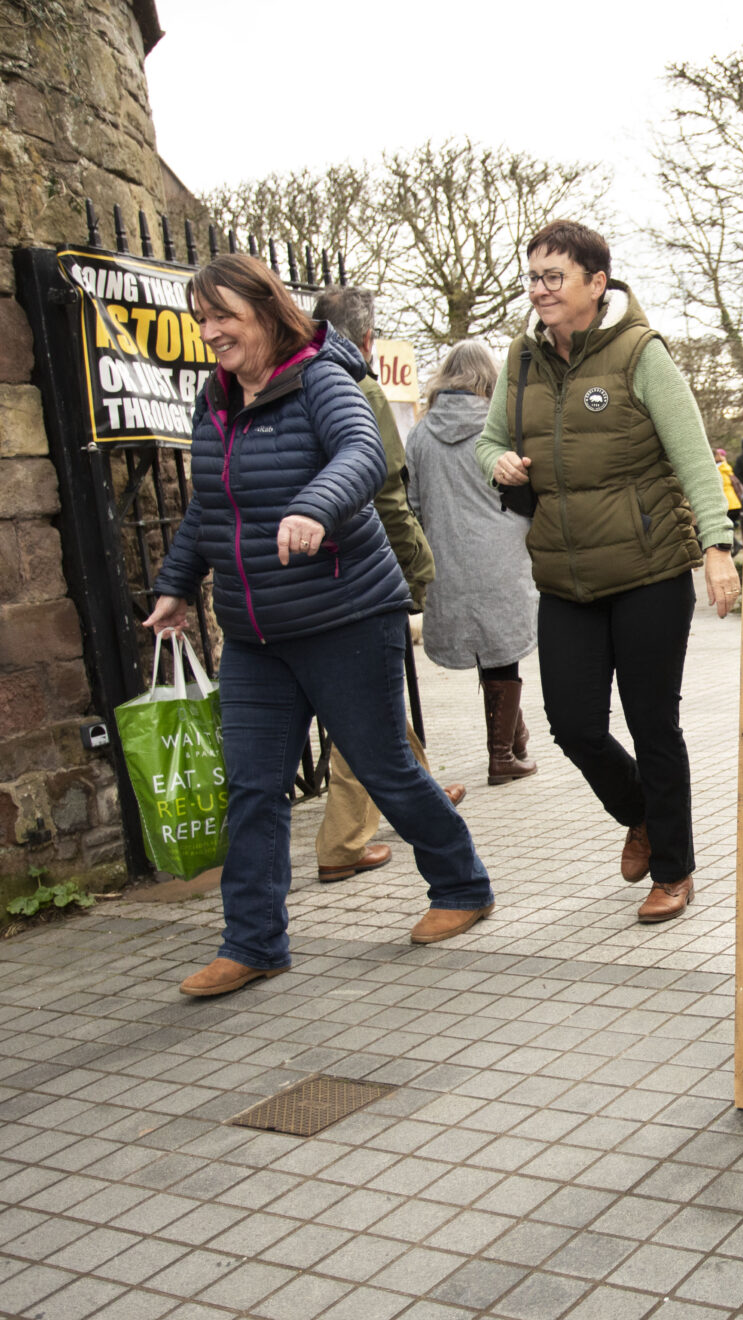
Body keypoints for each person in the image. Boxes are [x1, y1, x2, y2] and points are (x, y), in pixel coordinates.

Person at [144, 254, 496, 998]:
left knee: (384, 766)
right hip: (255, 634)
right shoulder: (216, 399)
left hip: (345, 614)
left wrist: (314, 504)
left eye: (223, 316)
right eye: (201, 319)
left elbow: (363, 454)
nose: (209, 332)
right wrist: (176, 585)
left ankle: (462, 885)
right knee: (252, 788)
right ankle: (253, 942)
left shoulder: (320, 379)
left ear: (267, 311)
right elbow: (210, 504)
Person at [477, 220, 739, 925]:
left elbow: (692, 455)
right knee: (572, 724)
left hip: (649, 569)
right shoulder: (522, 358)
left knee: (654, 723)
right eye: (533, 276)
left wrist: (717, 546)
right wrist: (498, 462)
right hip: (566, 575)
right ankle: (642, 813)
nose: (540, 289)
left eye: (554, 276)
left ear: (596, 282)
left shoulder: (639, 352)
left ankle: (674, 870)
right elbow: (489, 440)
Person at [307, 287, 464, 885]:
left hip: (305, 569)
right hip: (359, 568)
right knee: (366, 704)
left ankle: (419, 789)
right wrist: (417, 564)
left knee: (375, 695)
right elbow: (388, 495)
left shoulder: (289, 384)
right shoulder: (359, 387)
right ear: (367, 339)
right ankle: (342, 842)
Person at [406, 340, 538, 784]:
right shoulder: (502, 429)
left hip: (446, 557)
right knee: (501, 646)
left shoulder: (420, 434)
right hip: (503, 553)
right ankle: (502, 756)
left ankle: (516, 739)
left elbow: (412, 504)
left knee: (489, 647)